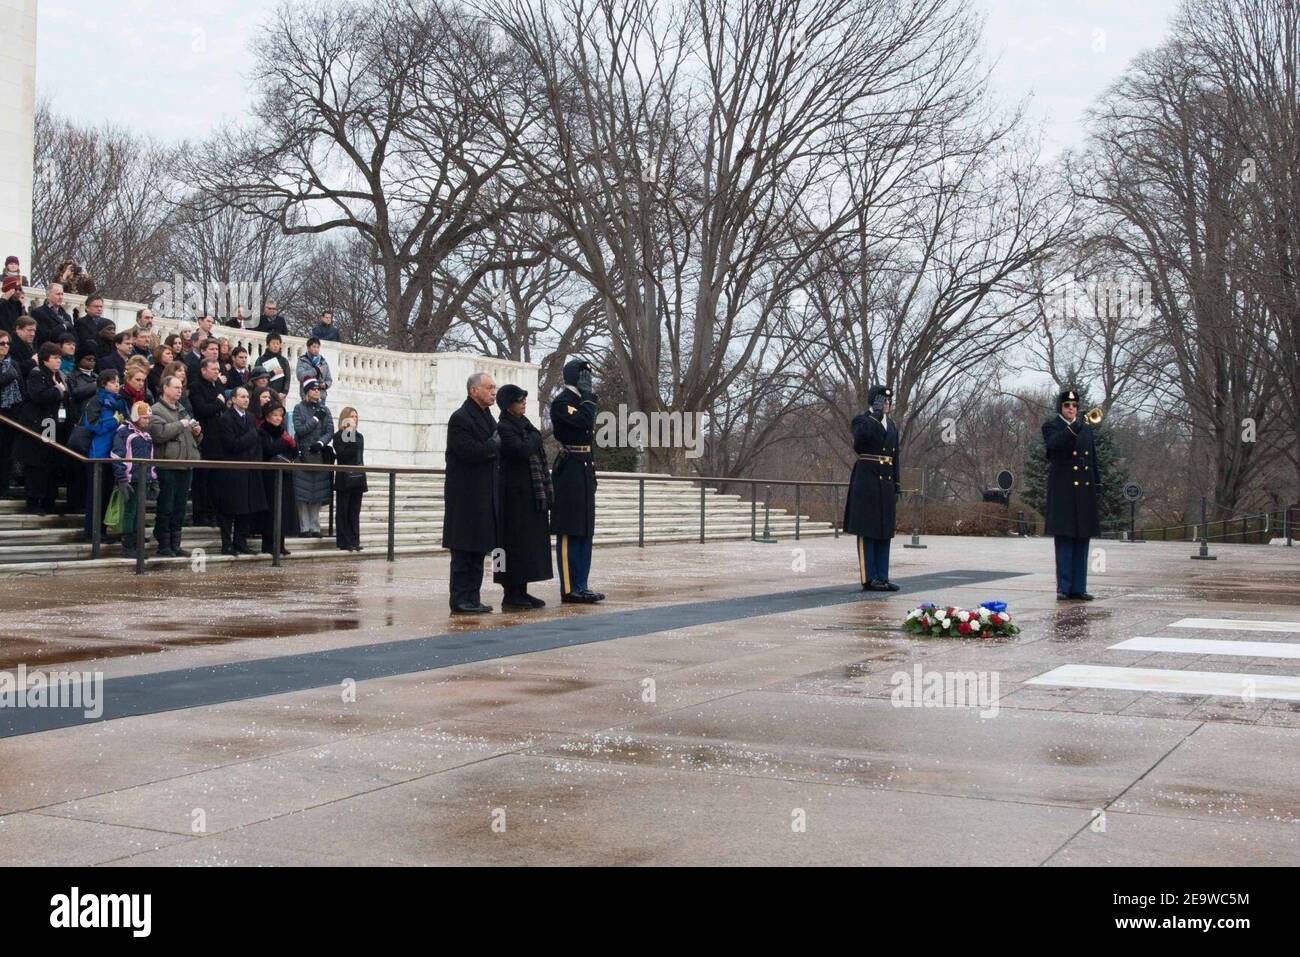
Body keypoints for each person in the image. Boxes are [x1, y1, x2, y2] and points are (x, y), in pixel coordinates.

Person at [442, 373, 499, 613]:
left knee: (478, 550)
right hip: (465, 494)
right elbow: (468, 451)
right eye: (488, 388)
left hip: (484, 493)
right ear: (474, 391)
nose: (493, 392)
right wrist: (493, 446)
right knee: (464, 550)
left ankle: (473, 597)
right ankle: (460, 598)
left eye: (495, 388)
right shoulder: (460, 418)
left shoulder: (488, 417)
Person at [493, 385, 552, 609]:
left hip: (528, 495)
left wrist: (533, 439)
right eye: (519, 400)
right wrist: (534, 440)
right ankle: (510, 594)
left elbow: (532, 441)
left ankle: (522, 591)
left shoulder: (525, 425)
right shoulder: (504, 426)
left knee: (527, 546)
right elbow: (521, 450)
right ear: (509, 404)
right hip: (511, 496)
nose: (524, 403)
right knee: (510, 547)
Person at [550, 358, 603, 603]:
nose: (587, 381)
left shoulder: (581, 400)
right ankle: (570, 588)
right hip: (570, 469)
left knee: (585, 530)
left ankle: (582, 583)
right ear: (574, 376)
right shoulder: (563, 402)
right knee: (570, 531)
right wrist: (588, 397)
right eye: (583, 376)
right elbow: (583, 421)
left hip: (584, 468)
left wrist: (587, 397)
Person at [1043, 388, 1101, 601]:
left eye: (1075, 406)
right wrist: (1073, 428)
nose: (1071, 409)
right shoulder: (1052, 426)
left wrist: (1097, 485)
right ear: (1061, 407)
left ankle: (1079, 586)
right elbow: (1053, 445)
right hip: (1064, 491)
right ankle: (1064, 587)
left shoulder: (1086, 429)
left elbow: (1093, 459)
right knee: (1065, 539)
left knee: (1082, 539)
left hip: (1084, 491)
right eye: (1067, 405)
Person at [844, 384, 901, 591]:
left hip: (885, 483)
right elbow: (860, 441)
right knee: (868, 530)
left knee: (884, 531)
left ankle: (882, 577)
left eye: (888, 401)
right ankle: (869, 578)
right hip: (867, 481)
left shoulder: (892, 425)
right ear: (874, 402)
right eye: (883, 400)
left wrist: (896, 484)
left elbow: (895, 457)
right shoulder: (862, 420)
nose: (887, 404)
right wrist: (875, 414)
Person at [148, 374, 203, 557]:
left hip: (185, 463)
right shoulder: (155, 409)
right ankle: (163, 544)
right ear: (165, 388)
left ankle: (175, 543)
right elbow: (159, 434)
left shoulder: (182, 409)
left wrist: (196, 432)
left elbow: (192, 437)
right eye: (176, 387)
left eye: (181, 388)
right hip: (167, 465)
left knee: (179, 507)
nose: (180, 391)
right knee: (166, 506)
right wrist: (181, 424)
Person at [211, 385, 267, 555]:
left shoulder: (250, 417)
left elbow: (257, 444)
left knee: (246, 509)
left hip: (249, 468)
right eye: (241, 396)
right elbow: (231, 444)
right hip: (232, 470)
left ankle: (241, 543)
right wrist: (251, 436)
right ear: (233, 399)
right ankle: (227, 544)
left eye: (247, 396)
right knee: (229, 510)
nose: (245, 399)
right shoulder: (226, 418)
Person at [15, 343, 69, 514]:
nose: (58, 361)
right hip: (40, 424)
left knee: (51, 464)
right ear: (45, 359)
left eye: (60, 357)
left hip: (55, 425)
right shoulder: (37, 374)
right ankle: (34, 500)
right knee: (37, 465)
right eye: (55, 358)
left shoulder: (59, 376)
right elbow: (39, 395)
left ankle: (48, 500)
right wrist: (58, 391)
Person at [79, 371, 125, 540]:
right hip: (98, 454)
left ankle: (103, 530)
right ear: (104, 383)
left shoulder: (119, 402)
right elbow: (93, 426)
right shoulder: (95, 400)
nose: (116, 385)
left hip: (114, 453)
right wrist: (113, 420)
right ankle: (92, 531)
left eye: (118, 381)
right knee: (95, 495)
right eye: (113, 382)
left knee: (106, 493)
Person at [110, 401, 157, 558]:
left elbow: (151, 458)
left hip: (144, 479)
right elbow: (117, 455)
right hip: (131, 479)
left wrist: (153, 479)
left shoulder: (147, 436)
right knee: (130, 512)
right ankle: (127, 546)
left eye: (148, 418)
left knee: (139, 513)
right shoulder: (124, 432)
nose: (147, 421)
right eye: (144, 418)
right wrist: (122, 479)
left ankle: (137, 545)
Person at [292, 380, 334, 536]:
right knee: (303, 493)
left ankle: (315, 527)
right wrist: (315, 419)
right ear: (307, 391)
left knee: (317, 492)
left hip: (319, 455)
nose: (317, 392)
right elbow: (300, 430)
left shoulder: (325, 409)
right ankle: (304, 527)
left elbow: (330, 431)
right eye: (314, 389)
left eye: (319, 389)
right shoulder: (299, 408)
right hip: (303, 454)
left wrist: (321, 443)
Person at [188, 357, 227, 526]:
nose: (217, 372)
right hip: (205, 438)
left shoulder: (218, 385)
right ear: (203, 370)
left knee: (216, 480)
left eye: (218, 369)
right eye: (213, 369)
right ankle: (200, 514)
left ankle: (213, 513)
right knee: (202, 479)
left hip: (218, 438)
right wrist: (219, 402)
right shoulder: (196, 387)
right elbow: (202, 409)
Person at [256, 402, 298, 557]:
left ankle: (280, 544)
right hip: (269, 476)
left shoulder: (283, 432)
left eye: (280, 415)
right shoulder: (263, 431)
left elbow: (294, 452)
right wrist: (284, 441)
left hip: (284, 474)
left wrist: (293, 445)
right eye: (275, 415)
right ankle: (268, 544)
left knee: (283, 510)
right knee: (271, 511)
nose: (278, 418)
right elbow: (268, 449)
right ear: (267, 416)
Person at [332, 406, 366, 552]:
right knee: (343, 510)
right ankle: (344, 541)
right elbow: (343, 455)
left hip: (357, 477)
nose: (354, 419)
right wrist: (349, 433)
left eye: (356, 416)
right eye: (351, 416)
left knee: (354, 511)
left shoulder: (359, 436)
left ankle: (354, 540)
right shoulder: (339, 435)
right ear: (345, 418)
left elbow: (359, 457)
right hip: (344, 478)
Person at [0, 330, 23, 496]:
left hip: (10, 414)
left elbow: (21, 386)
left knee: (7, 453)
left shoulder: (13, 363)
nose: (5, 347)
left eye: (8, 343)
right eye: (2, 343)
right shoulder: (10, 370)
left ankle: (3, 487)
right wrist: (6, 377)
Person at [31, 283, 74, 348]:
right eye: (58, 294)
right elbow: (44, 336)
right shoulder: (38, 313)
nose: (61, 297)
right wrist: (63, 326)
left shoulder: (66, 316)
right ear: (48, 295)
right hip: (49, 352)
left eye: (62, 294)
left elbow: (73, 336)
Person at [257, 333, 291, 402]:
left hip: (280, 396)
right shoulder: (261, 360)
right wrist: (272, 373)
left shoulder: (283, 360)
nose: (275, 346)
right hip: (264, 395)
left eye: (278, 343)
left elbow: (287, 379)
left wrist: (284, 392)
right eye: (273, 343)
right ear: (268, 344)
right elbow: (257, 377)